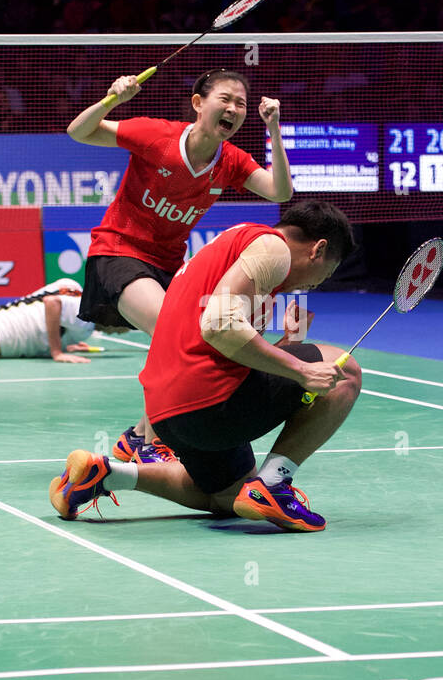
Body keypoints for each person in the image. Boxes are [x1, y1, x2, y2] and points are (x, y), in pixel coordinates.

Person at [48, 201, 360, 533]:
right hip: (206, 402)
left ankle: (107, 476)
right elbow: (219, 326)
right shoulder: (273, 249)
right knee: (346, 372)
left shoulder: (236, 248)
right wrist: (302, 369)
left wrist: (289, 342)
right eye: (326, 273)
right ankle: (274, 485)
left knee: (229, 497)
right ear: (318, 249)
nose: (316, 284)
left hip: (166, 415)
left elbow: (231, 350)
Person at [65, 68, 293, 465]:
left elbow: (280, 191)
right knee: (172, 332)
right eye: (225, 99)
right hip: (119, 251)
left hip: (169, 265)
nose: (233, 109)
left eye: (241, 104)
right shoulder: (157, 136)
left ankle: (138, 436)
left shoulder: (231, 161)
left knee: (191, 340)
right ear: (198, 103)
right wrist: (112, 99)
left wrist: (273, 128)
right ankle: (147, 442)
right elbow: (79, 132)